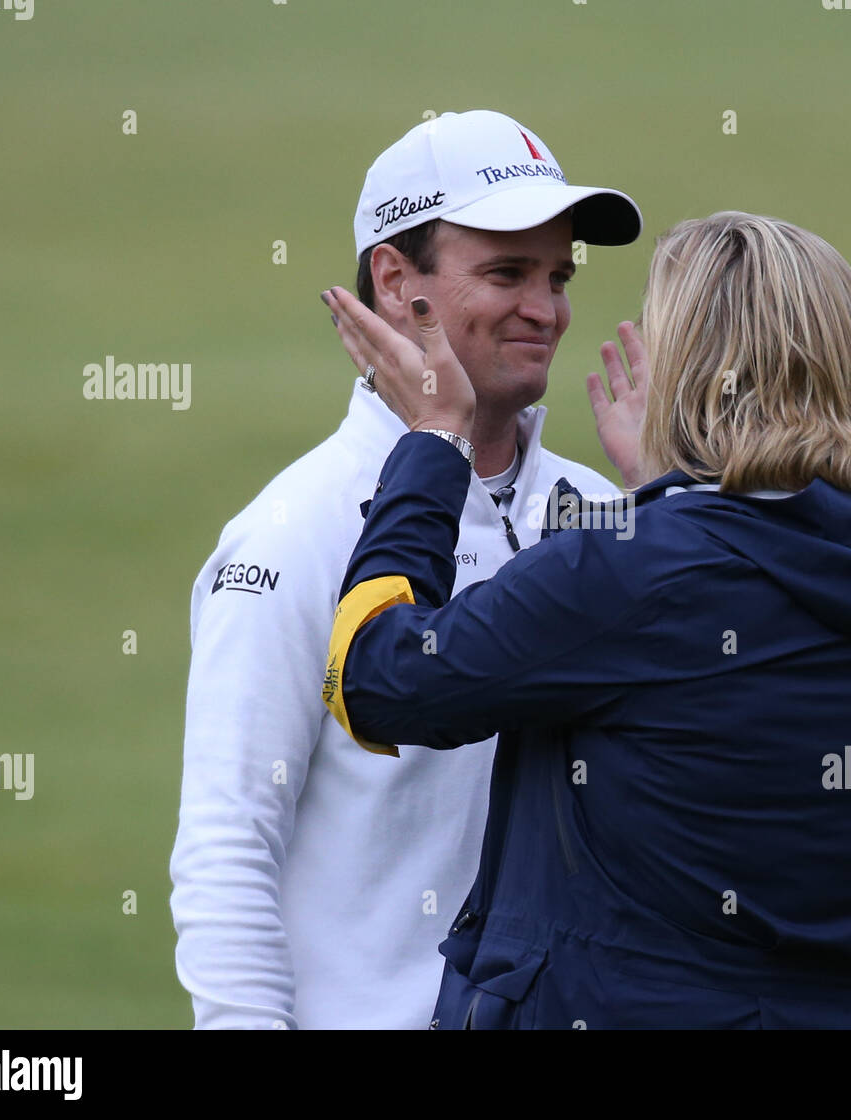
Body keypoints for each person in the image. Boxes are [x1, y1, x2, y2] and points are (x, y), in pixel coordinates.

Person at [320, 211, 851, 1029]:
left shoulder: (634, 570)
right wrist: (676, 491)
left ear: (690, 365)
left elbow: (377, 678)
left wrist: (436, 441)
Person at [168, 109, 641, 1029]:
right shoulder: (289, 533)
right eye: (507, 273)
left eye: (557, 276)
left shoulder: (605, 510)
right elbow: (229, 848)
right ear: (395, 282)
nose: (545, 308)